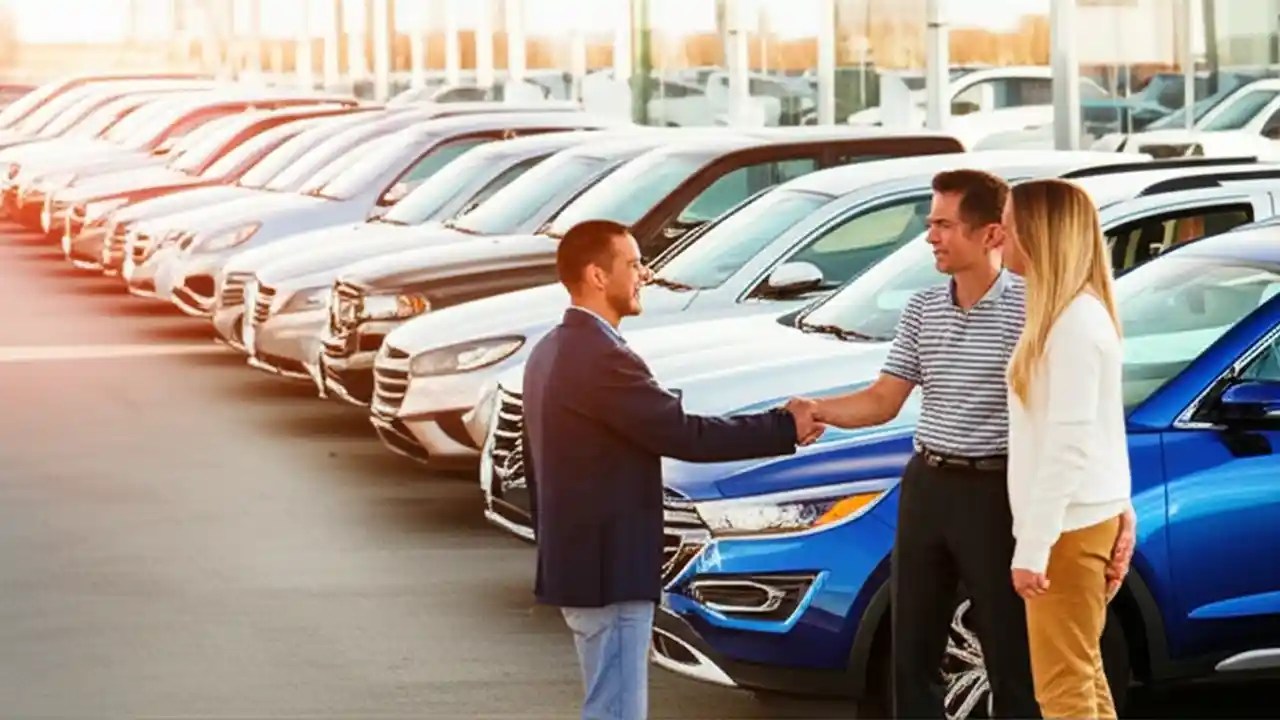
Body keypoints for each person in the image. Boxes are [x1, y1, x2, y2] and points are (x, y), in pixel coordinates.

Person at [522, 219, 822, 720]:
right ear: (598, 276)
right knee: (617, 710)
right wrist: (783, 426)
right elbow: (683, 434)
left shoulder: (549, 350)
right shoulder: (599, 356)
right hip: (608, 573)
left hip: (579, 567)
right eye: (634, 263)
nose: (644, 273)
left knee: (606, 703)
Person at [800, 169, 1043, 718]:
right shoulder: (922, 309)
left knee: (1010, 654)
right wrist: (814, 410)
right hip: (928, 485)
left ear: (991, 235)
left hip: (994, 493)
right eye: (930, 224)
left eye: (943, 225)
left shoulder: (1030, 311)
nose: (930, 236)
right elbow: (883, 400)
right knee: (912, 649)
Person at [1002, 179, 1134, 719]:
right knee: (1082, 675)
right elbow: (1101, 428)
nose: (999, 238)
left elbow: (1069, 443)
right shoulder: (1072, 316)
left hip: (1067, 532)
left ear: (1039, 234)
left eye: (1008, 227)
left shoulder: (1074, 324)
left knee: (1062, 688)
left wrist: (1032, 547)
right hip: (1079, 523)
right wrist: (1122, 508)